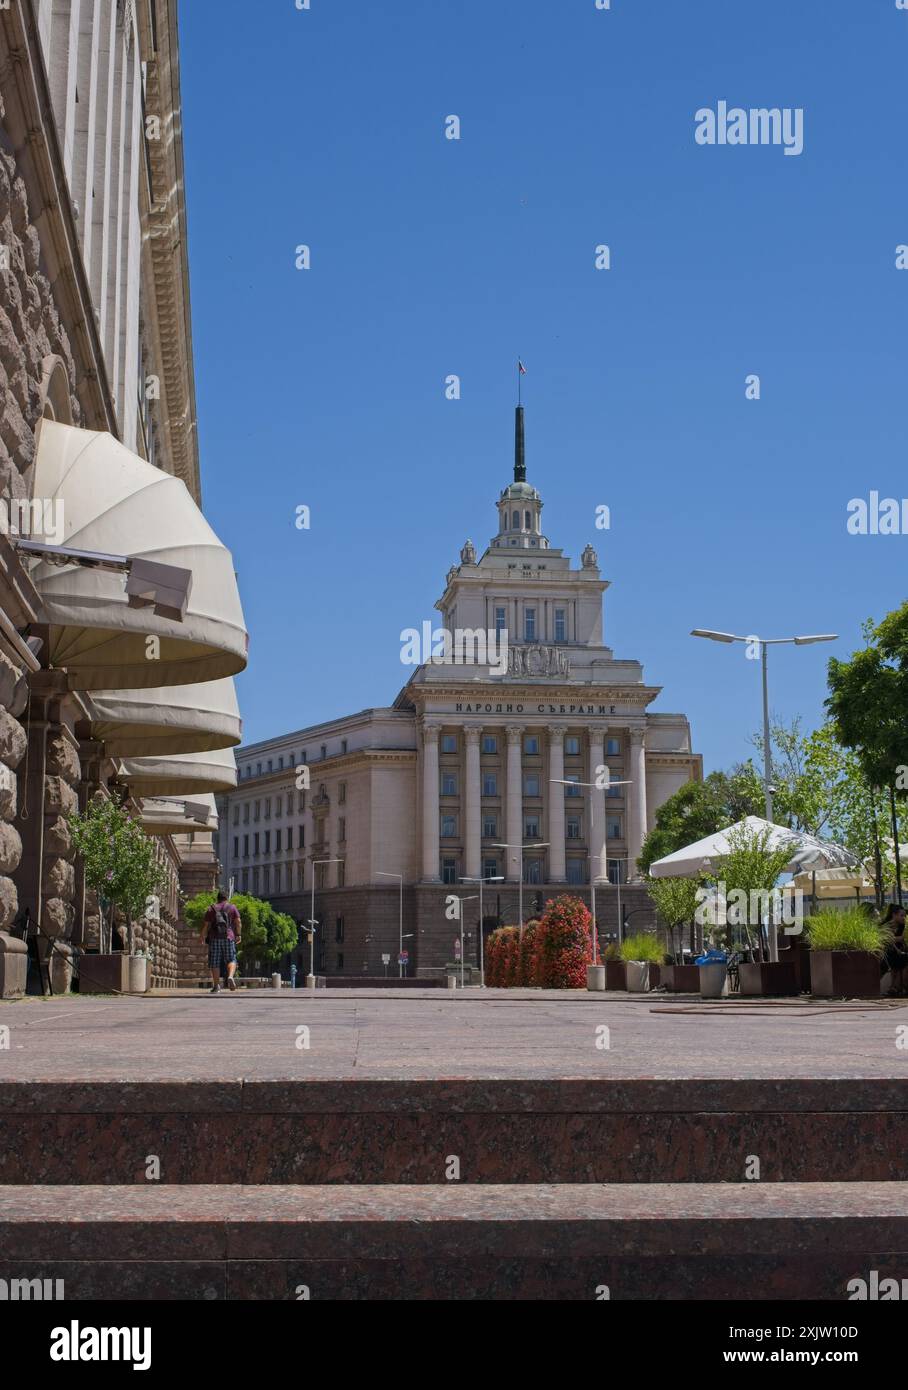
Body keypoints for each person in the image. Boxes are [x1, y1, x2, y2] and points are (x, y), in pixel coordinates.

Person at [201, 889, 242, 995]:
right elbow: (238, 922)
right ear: (226, 898)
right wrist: (238, 935)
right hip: (228, 937)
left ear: (217, 898)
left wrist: (202, 936)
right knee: (231, 959)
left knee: (215, 962)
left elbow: (206, 925)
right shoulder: (232, 907)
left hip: (214, 938)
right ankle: (230, 977)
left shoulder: (211, 908)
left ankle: (216, 986)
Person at [880, 903, 908, 996]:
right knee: (902, 962)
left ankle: (896, 987)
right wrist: (899, 939)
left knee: (902, 962)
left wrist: (902, 944)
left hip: (896, 952)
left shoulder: (901, 926)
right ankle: (897, 987)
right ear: (894, 915)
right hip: (887, 951)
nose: (904, 917)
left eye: (905, 915)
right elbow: (887, 940)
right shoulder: (888, 925)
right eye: (901, 915)